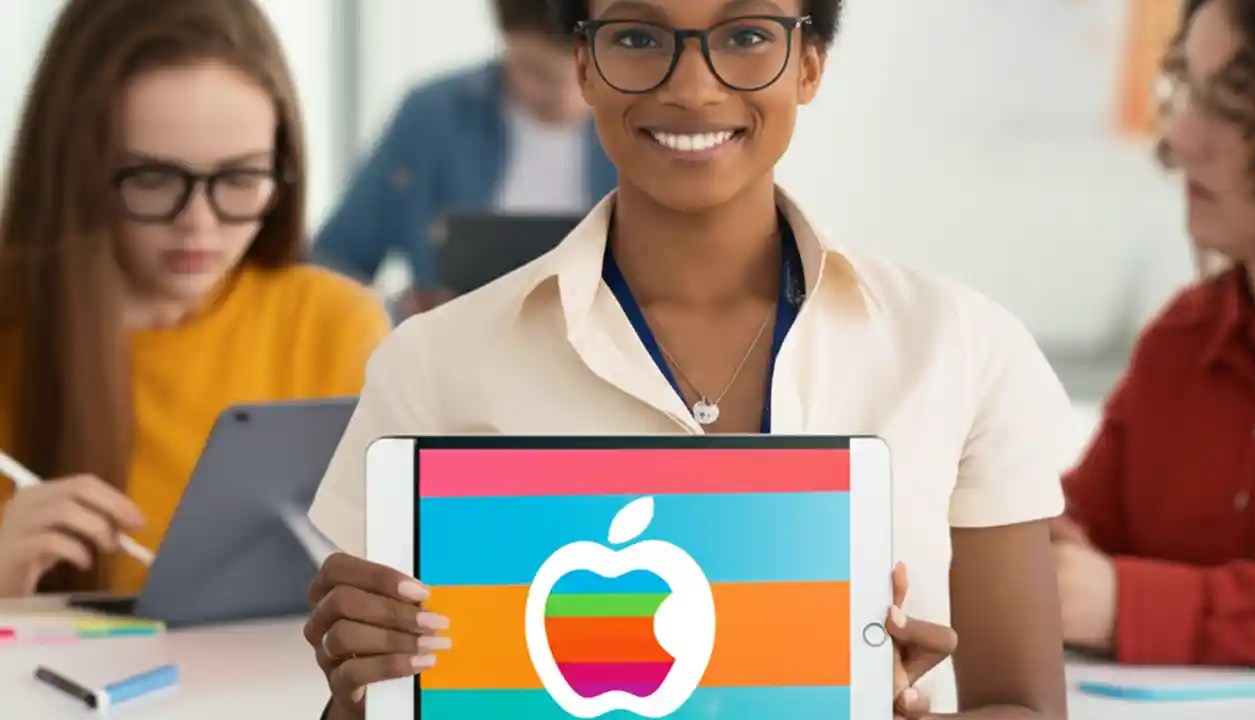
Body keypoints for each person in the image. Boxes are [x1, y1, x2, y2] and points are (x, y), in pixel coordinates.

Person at [304, 1, 1076, 718]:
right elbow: (383, 700)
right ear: (584, 64)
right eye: (638, 38)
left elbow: (1023, 703)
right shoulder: (435, 363)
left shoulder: (961, 348)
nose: (693, 87)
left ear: (809, 63)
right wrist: (353, 695)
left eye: (746, 37)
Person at [0, 0, 390, 599]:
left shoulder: (335, 325)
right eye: (153, 179)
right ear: (73, 171)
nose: (199, 226)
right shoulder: (16, 336)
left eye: (239, 179)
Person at [1054, 0, 1255, 669]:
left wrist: (1130, 604)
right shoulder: (1182, 339)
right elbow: (1076, 531)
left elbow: (1105, 588)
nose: (1180, 137)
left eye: (1234, 103)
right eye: (1188, 89)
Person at [312, 0, 619, 318]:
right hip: (448, 357)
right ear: (504, 38)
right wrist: (398, 312)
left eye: (588, 74)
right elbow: (332, 262)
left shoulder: (644, 125)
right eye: (538, 75)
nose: (565, 97)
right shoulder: (431, 118)